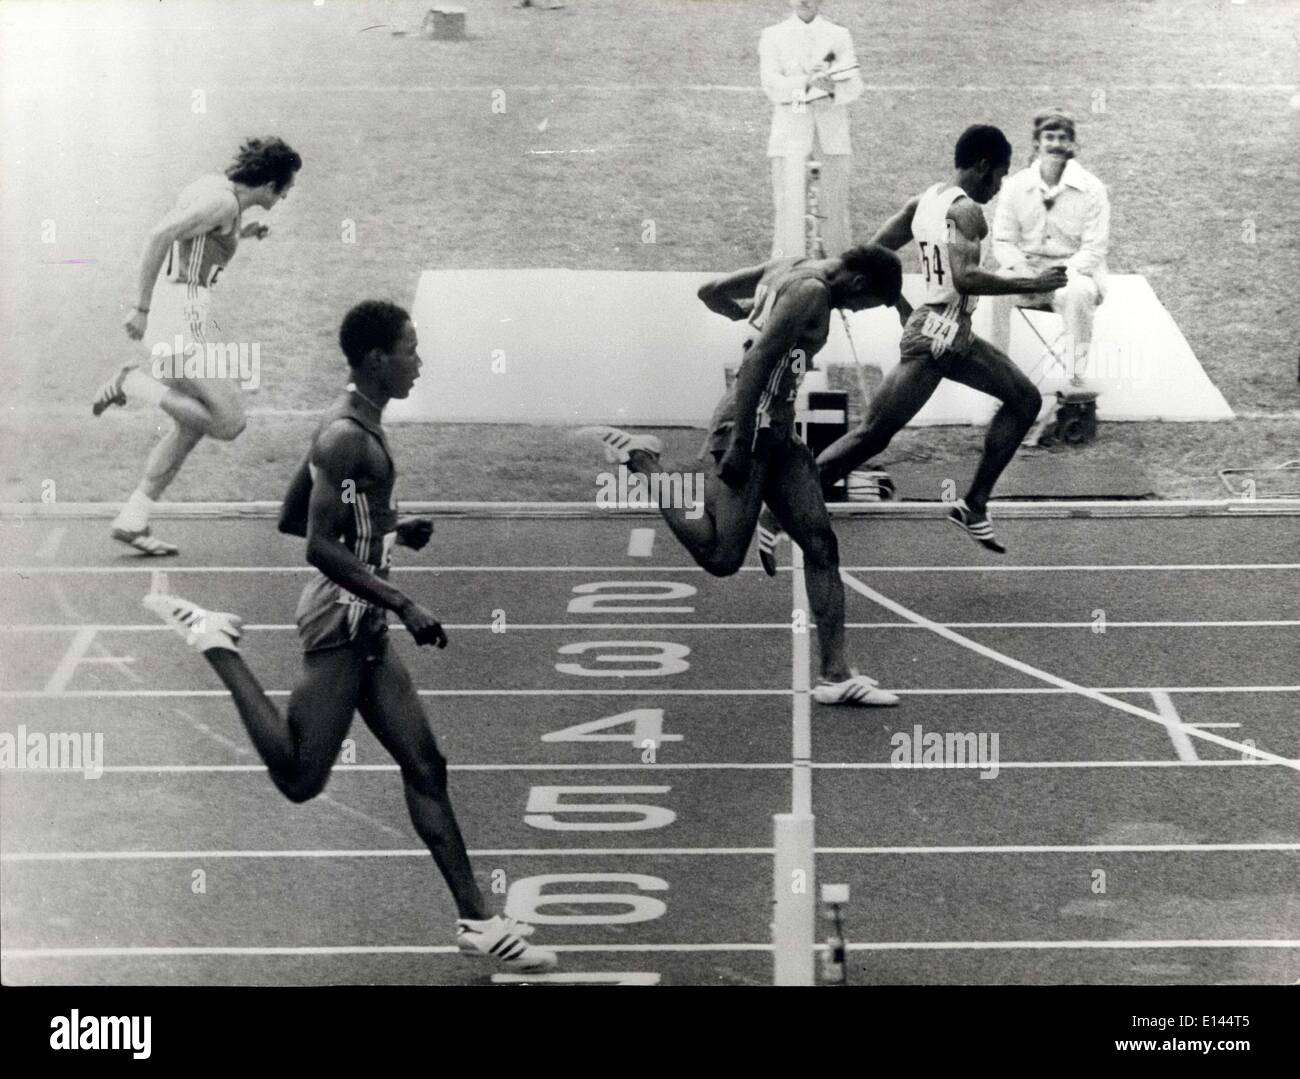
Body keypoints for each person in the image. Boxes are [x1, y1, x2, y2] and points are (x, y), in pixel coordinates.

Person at [142, 300, 557, 973]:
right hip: (343, 618)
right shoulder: (344, 437)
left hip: (365, 620)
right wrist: (404, 600)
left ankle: (479, 922)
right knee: (302, 777)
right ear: (375, 360)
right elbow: (314, 544)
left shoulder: (353, 427)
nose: (418, 363)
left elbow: (290, 514)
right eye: (410, 350)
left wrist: (395, 529)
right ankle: (218, 644)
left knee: (427, 766)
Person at [578, 246, 903, 706]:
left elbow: (709, 293)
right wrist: (740, 440)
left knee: (820, 544)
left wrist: (751, 315)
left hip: (779, 428)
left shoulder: (789, 265)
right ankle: (644, 464)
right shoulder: (812, 293)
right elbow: (754, 364)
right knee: (721, 556)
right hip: (749, 426)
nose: (853, 313)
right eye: (862, 306)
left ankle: (835, 675)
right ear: (857, 283)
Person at [759, 125, 1068, 557]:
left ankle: (975, 505)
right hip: (939, 339)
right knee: (870, 435)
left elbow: (871, 255)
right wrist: (1032, 280)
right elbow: (965, 278)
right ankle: (776, 511)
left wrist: (897, 302)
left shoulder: (922, 202)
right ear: (982, 167)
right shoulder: (969, 213)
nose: (998, 188)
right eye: (998, 176)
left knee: (1023, 400)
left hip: (940, 330)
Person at [91, 137, 303, 556]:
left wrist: (243, 233)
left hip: (184, 313)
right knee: (228, 422)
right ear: (270, 185)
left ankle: (134, 517)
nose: (285, 196)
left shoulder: (214, 191)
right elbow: (160, 236)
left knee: (191, 427)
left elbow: (192, 237)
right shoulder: (223, 204)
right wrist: (141, 307)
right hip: (177, 315)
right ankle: (132, 383)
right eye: (285, 189)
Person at [988, 108, 1110, 389]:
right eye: (1049, 137)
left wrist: (1060, 275)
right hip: (1027, 269)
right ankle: (999, 380)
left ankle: (1076, 380)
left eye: (1063, 138)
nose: (1055, 144)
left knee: (1078, 293)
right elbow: (1003, 240)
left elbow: (1094, 248)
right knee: (995, 290)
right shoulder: (1015, 186)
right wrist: (1026, 273)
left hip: (1074, 272)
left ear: (1071, 145)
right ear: (1036, 143)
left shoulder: (1092, 188)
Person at [760, 0, 863, 260]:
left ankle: (839, 279)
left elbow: (854, 86)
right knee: (789, 213)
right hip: (789, 139)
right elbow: (772, 86)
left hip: (832, 139)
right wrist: (808, 83)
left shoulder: (839, 36)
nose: (805, 1)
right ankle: (786, 279)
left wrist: (830, 86)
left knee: (835, 212)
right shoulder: (773, 35)